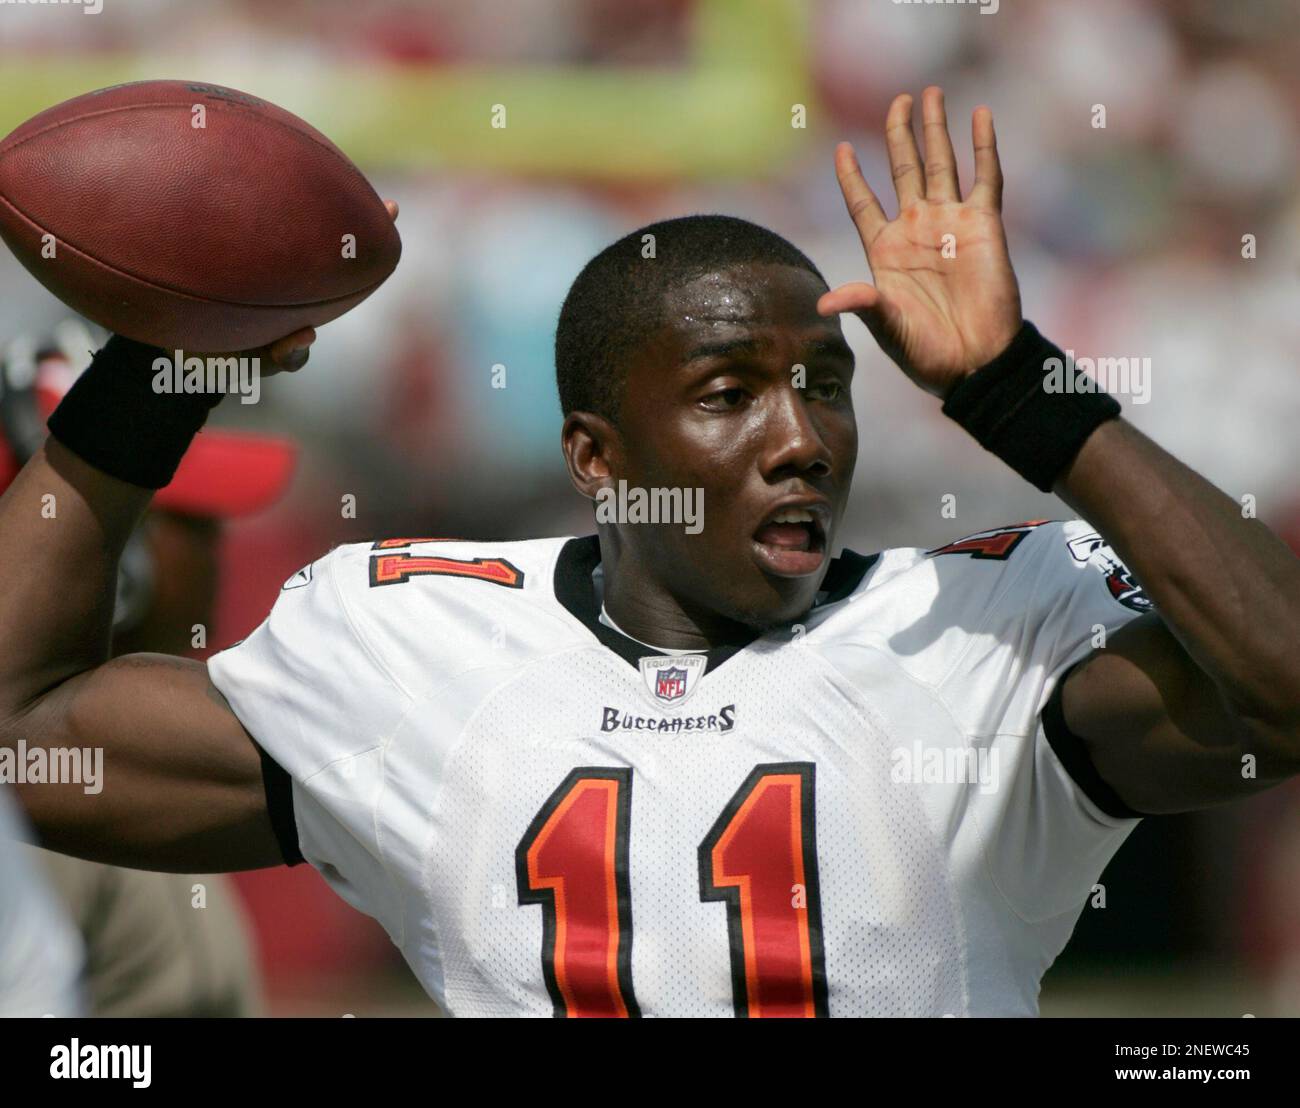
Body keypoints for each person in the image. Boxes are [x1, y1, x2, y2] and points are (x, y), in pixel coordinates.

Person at [1, 89, 1297, 1016]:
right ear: (596, 457)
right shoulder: (408, 642)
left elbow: (1284, 690)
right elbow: (26, 740)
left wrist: (1024, 390)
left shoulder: (979, 632)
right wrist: (155, 382)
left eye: (826, 386)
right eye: (731, 393)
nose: (802, 438)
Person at [0, 326, 296, 1017]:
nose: (220, 555)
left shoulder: (118, 769)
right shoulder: (49, 805)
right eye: (197, 521)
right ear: (115, 554)